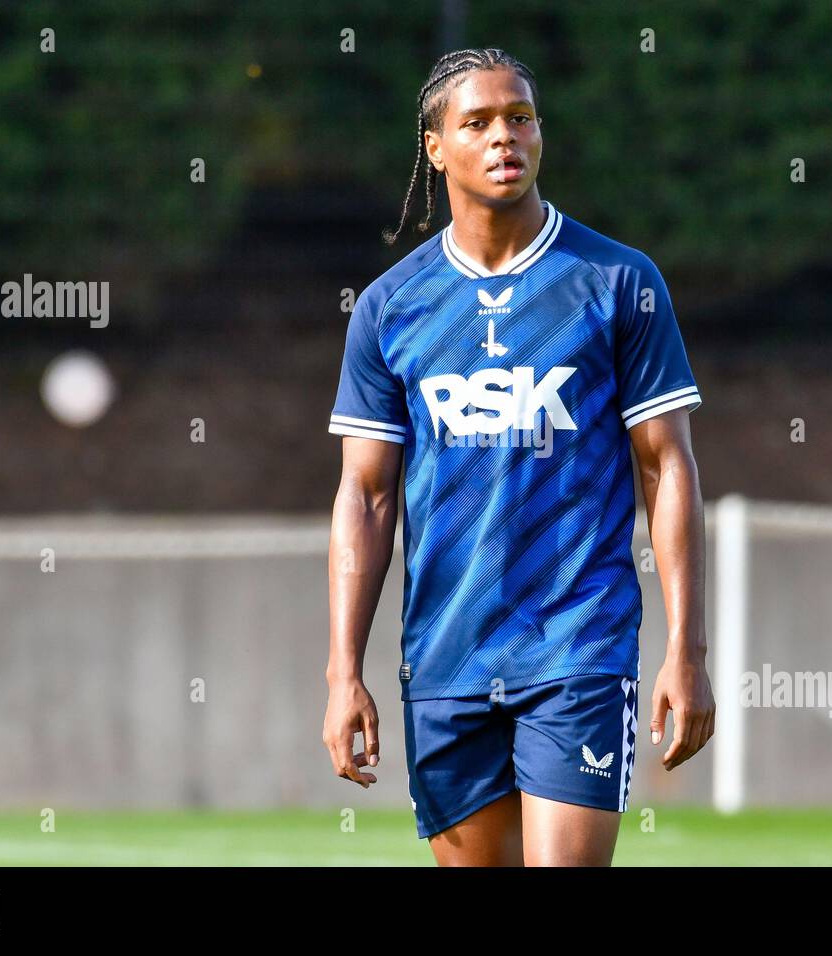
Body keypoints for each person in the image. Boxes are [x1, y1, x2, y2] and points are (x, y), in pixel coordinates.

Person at [323, 47, 713, 866]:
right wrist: (342, 673)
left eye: (521, 117)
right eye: (479, 122)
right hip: (446, 655)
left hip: (578, 644)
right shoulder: (393, 306)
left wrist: (686, 650)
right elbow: (366, 497)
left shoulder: (618, 282)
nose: (506, 137)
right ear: (435, 148)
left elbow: (666, 467)